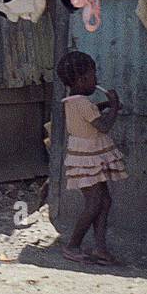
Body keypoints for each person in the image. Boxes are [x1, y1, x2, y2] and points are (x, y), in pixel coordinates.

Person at [57, 51, 127, 265]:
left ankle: (100, 248)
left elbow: (89, 115)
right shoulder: (81, 103)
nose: (96, 80)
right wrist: (113, 107)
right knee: (95, 202)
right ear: (82, 80)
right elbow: (103, 126)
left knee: (104, 201)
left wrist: (104, 106)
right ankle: (73, 245)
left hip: (90, 156)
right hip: (87, 157)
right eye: (93, 75)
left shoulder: (75, 101)